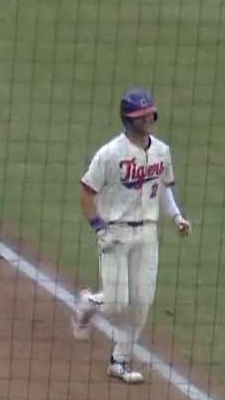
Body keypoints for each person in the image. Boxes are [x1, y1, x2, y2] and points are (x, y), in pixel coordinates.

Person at [70, 87, 190, 383]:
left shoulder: (162, 151)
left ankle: (119, 360)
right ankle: (88, 304)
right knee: (115, 303)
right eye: (141, 116)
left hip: (148, 234)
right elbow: (86, 193)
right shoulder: (109, 154)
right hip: (115, 233)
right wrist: (99, 227)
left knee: (142, 302)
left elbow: (163, 188)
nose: (148, 119)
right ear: (129, 119)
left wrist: (176, 217)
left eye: (149, 114)